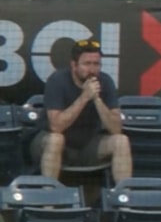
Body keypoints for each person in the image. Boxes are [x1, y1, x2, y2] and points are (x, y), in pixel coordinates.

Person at [33, 38, 133, 183]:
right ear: (74, 65)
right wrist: (84, 97)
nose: (92, 69)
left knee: (121, 141)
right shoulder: (57, 80)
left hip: (88, 144)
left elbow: (116, 129)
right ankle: (49, 198)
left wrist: (97, 99)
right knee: (56, 139)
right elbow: (56, 126)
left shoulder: (105, 81)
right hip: (54, 144)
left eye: (96, 64)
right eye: (87, 64)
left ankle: (124, 200)